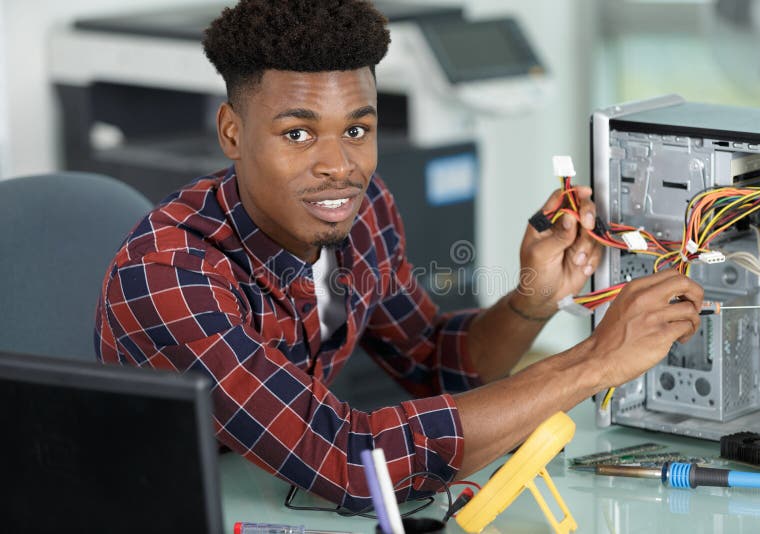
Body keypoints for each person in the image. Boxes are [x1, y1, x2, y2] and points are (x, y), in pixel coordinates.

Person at [95, 0, 703, 511]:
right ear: (232, 132)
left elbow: (437, 366)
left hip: (272, 492)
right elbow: (351, 462)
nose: (340, 166)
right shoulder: (170, 275)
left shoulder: (364, 212)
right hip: (159, 508)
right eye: (298, 133)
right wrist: (595, 360)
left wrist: (533, 300)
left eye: (357, 130)